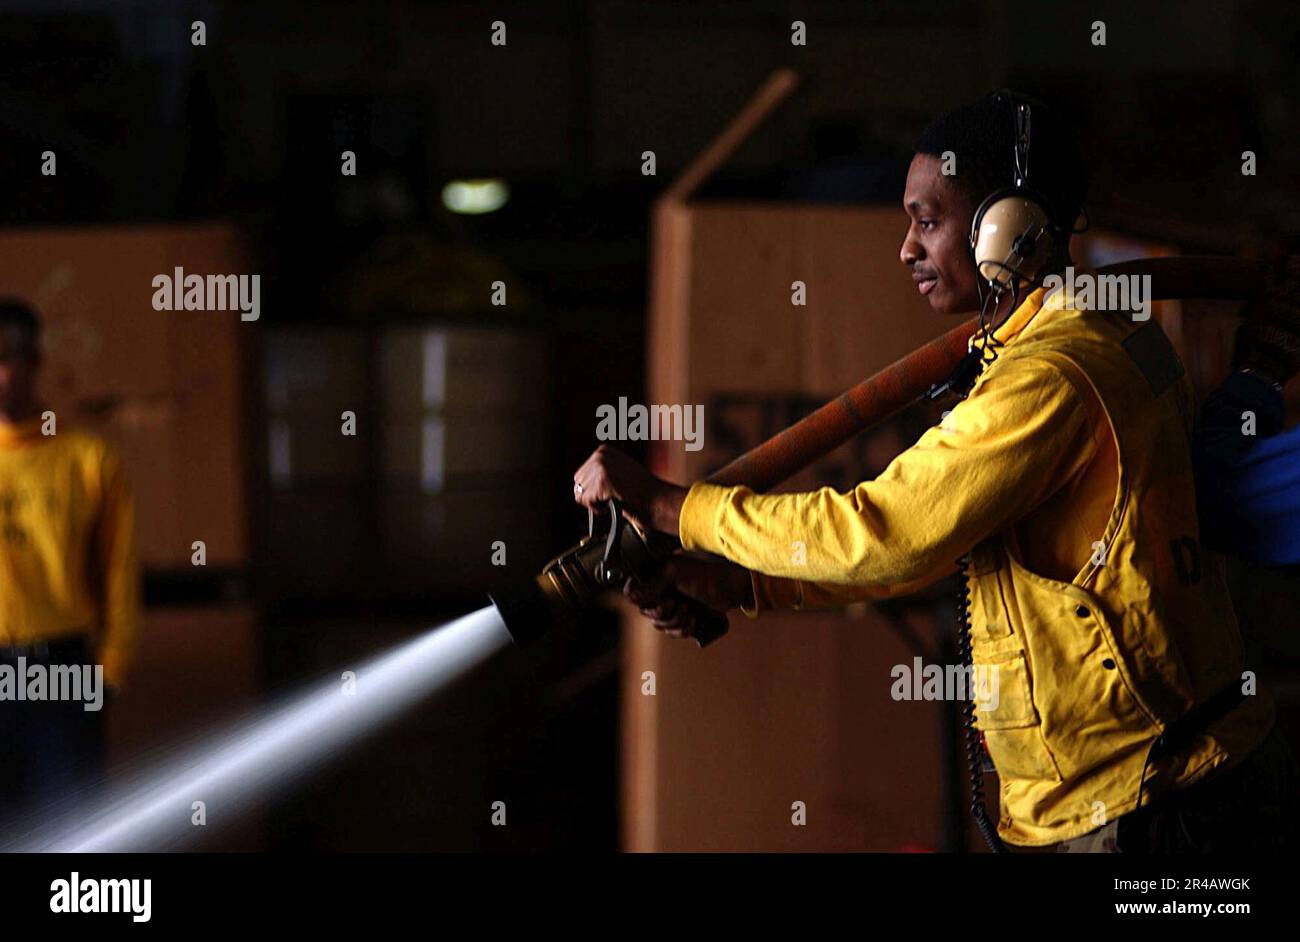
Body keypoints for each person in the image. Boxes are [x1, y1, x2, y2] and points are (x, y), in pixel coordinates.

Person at [572, 92, 1299, 852]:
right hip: (1139, 792)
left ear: (1005, 227)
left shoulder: (1050, 377)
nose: (906, 250)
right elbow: (942, 541)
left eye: (927, 221)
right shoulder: (1101, 333)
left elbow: (884, 532)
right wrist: (742, 584)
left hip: (1155, 808)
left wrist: (671, 507)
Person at [0, 299, 140, 815]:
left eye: (6, 357)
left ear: (34, 361)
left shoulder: (87, 460)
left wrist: (112, 668)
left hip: (61, 669)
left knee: (73, 831)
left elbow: (118, 571)